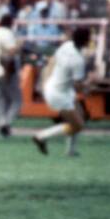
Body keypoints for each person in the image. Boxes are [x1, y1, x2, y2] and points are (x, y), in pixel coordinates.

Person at [34, 26, 94, 157]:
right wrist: (89, 82)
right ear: (85, 41)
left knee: (80, 116)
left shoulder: (67, 45)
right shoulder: (78, 60)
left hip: (54, 86)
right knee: (77, 125)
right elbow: (78, 86)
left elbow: (52, 61)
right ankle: (41, 136)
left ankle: (71, 151)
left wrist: (44, 81)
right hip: (60, 95)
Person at [0, 13, 23, 138]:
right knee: (17, 100)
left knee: (1, 99)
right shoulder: (7, 33)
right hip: (6, 69)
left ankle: (1, 123)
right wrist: (20, 45)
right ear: (11, 23)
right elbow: (11, 51)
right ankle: (6, 123)